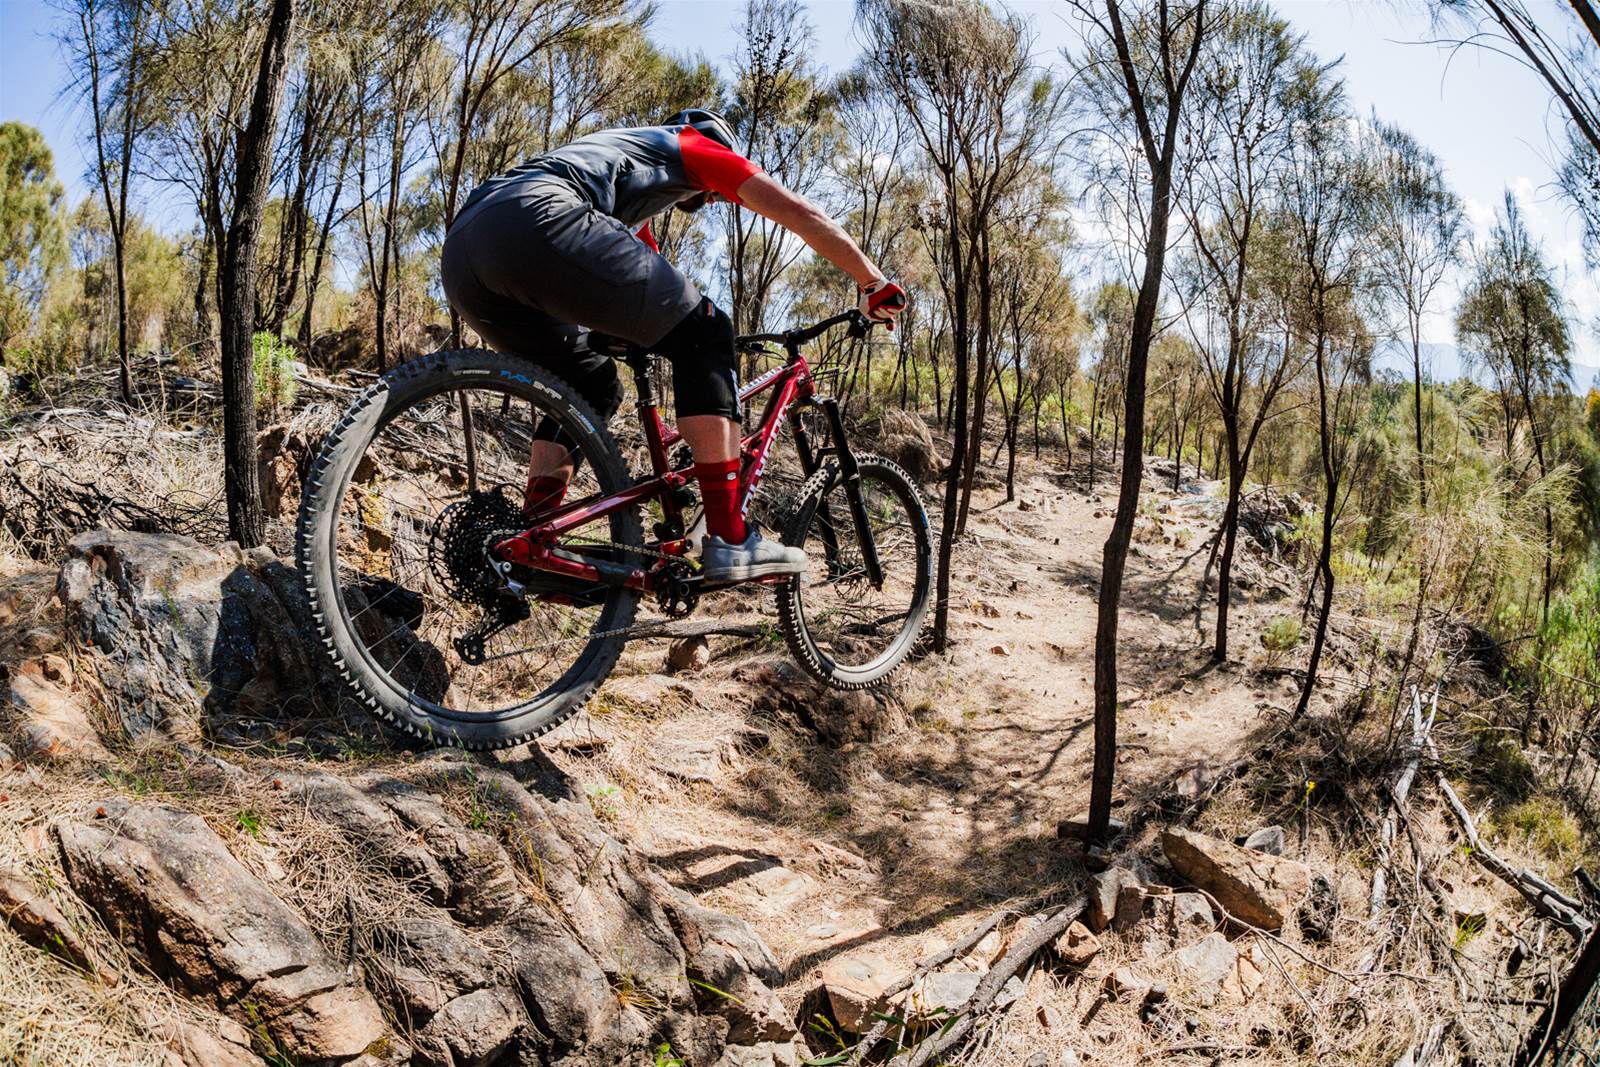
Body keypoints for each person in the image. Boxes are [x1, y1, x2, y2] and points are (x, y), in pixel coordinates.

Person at [441, 109, 906, 583]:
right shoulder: (692, 147)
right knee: (706, 332)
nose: (708, 197)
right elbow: (800, 213)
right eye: (709, 192)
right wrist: (871, 281)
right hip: (540, 215)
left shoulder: (622, 164)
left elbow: (648, 281)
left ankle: (530, 538)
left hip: (464, 251)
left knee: (593, 384)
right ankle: (729, 536)